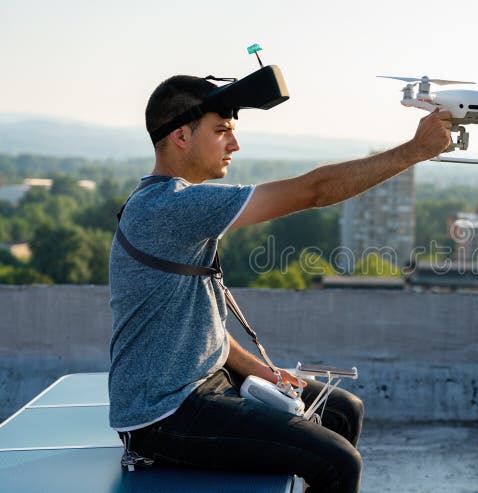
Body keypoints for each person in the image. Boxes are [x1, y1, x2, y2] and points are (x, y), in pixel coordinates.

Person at [108, 73, 452, 493]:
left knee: (342, 411)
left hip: (204, 381)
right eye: (222, 132)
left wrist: (263, 372)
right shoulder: (172, 205)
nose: (234, 145)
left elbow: (198, 324)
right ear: (181, 136)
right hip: (164, 412)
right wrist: (415, 150)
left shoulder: (174, 205)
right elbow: (315, 191)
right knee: (338, 462)